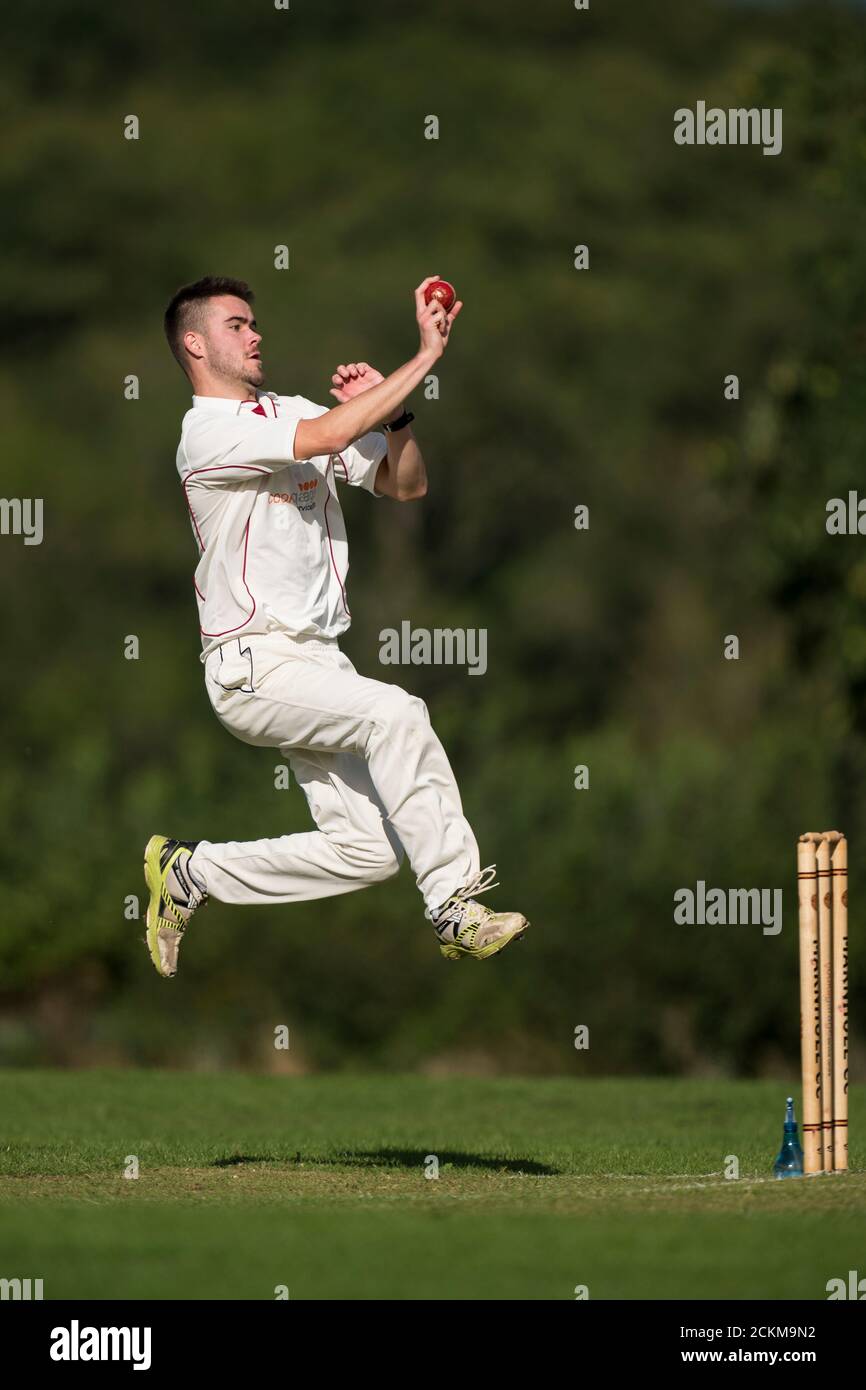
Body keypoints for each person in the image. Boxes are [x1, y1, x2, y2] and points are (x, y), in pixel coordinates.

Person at [144, 273, 529, 978]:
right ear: (195, 344)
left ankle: (192, 874)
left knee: (372, 852)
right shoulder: (207, 433)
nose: (255, 333)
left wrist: (397, 414)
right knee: (397, 713)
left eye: (254, 322)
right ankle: (455, 906)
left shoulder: (283, 409)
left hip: (318, 665)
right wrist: (424, 357)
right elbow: (325, 434)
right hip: (252, 666)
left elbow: (406, 485)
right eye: (237, 325)